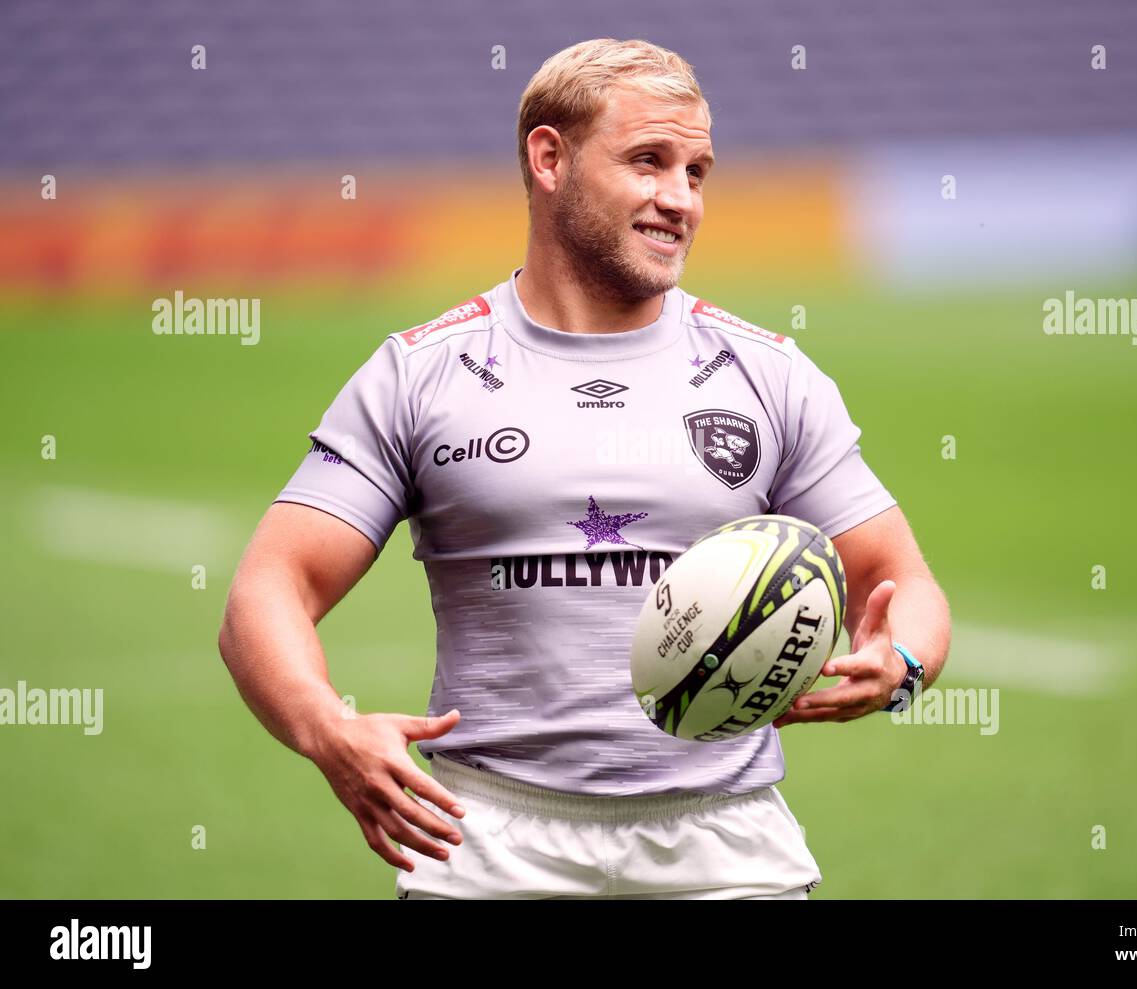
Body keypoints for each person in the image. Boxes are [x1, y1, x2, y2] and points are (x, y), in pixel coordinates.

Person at [217, 37, 951, 900]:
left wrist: (899, 667)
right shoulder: (421, 372)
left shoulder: (770, 372)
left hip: (725, 847)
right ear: (549, 158)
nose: (680, 199)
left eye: (698, 171)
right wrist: (327, 729)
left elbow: (903, 584)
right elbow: (267, 592)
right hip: (484, 841)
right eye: (649, 162)